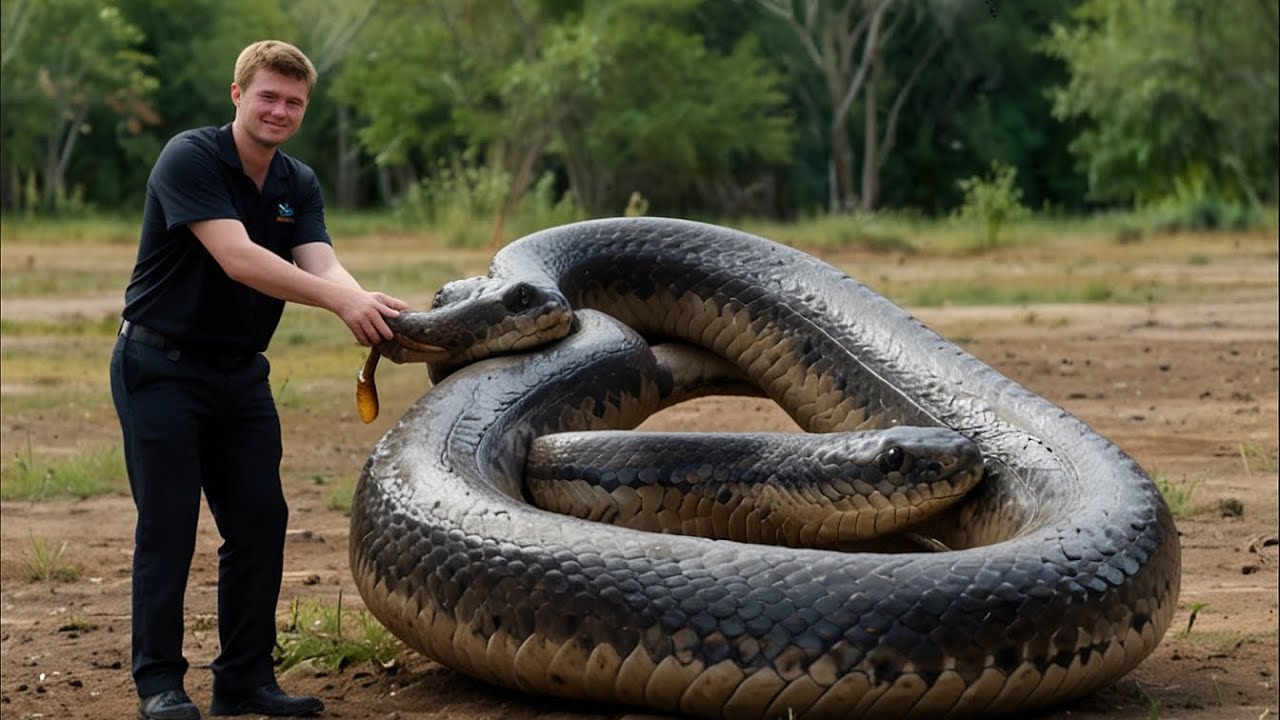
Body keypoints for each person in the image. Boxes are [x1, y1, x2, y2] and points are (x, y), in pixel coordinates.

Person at [110, 40, 408, 720]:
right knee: (169, 528)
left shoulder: (295, 182)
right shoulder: (190, 157)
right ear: (238, 94)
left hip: (239, 377)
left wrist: (367, 303)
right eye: (268, 96)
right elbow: (238, 258)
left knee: (260, 521)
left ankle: (243, 679)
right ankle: (160, 685)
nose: (280, 110)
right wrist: (339, 303)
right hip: (159, 369)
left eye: (294, 102)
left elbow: (322, 262)